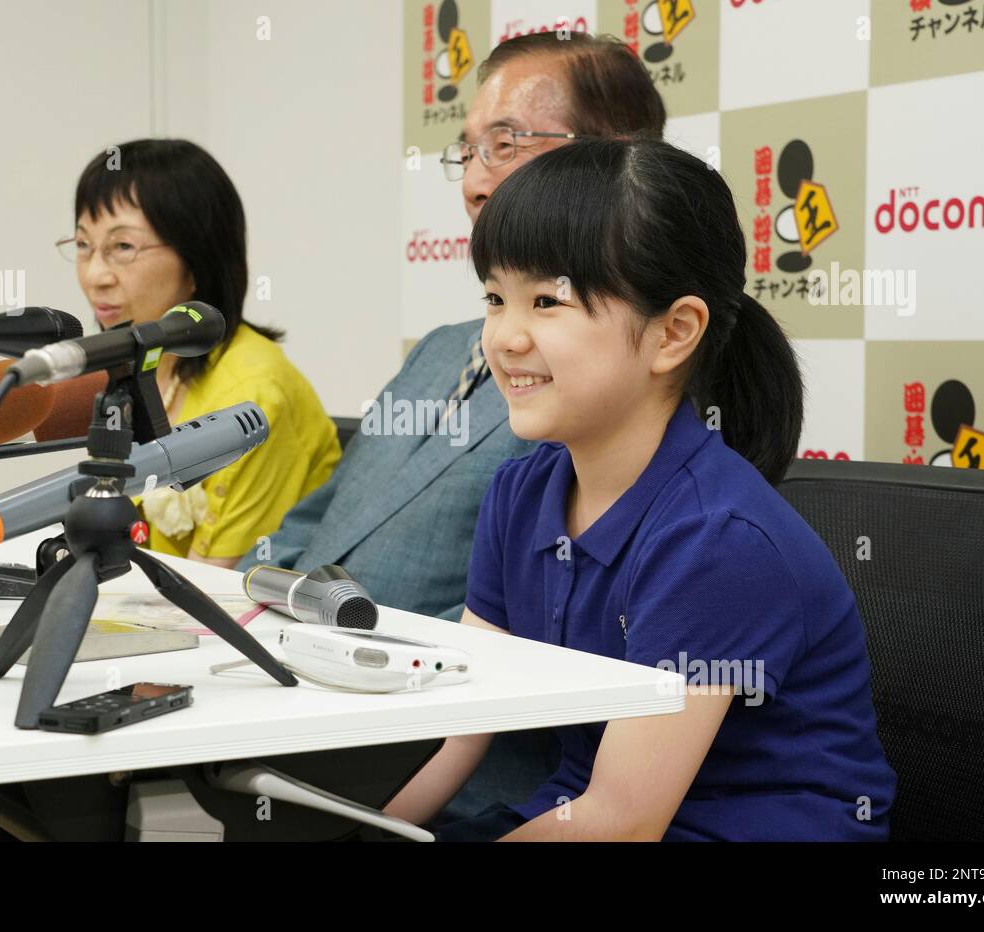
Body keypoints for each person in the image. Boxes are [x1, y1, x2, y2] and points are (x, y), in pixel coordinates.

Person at [383, 137, 896, 841]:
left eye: (545, 301)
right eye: (496, 298)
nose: (503, 336)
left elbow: (622, 822)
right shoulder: (519, 492)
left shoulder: (715, 540)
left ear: (673, 333)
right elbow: (460, 732)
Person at [238, 32, 666, 820]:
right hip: (298, 715)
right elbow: (317, 528)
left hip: (473, 773)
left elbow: (551, 632)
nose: (474, 184)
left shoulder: (629, 383)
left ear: (614, 159)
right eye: (465, 152)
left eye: (503, 145)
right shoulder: (441, 351)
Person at [62, 138, 341, 568]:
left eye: (122, 247)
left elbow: (212, 589)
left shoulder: (253, 393)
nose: (96, 275)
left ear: (196, 260)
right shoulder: (142, 368)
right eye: (83, 245)